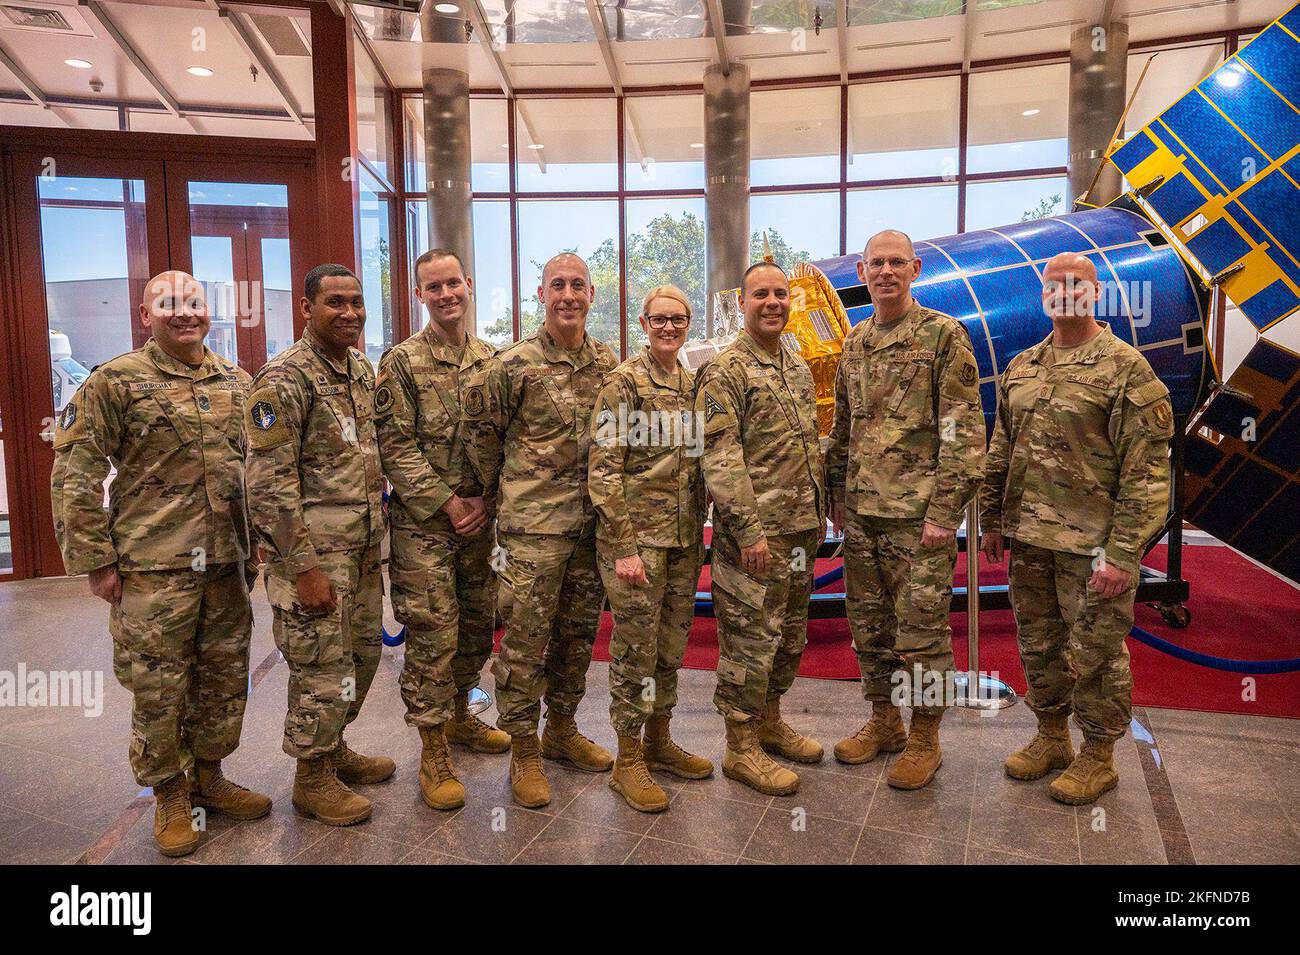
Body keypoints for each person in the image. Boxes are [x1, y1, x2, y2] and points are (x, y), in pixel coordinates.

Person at [50, 271, 270, 857]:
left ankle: (210, 776)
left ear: (209, 311)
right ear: (145, 315)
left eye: (194, 302)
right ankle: (170, 792)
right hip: (153, 566)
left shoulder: (237, 381)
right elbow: (77, 471)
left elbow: (257, 470)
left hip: (226, 564)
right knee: (159, 685)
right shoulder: (115, 382)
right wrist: (96, 560)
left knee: (223, 679)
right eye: (168, 304)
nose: (184, 313)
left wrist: (265, 540)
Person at [981, 251, 1173, 805]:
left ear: (1094, 293)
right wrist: (994, 519)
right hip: (1031, 541)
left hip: (1093, 549)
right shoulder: (1023, 365)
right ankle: (1050, 737)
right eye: (1053, 284)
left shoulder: (1125, 369)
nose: (1064, 292)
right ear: (1044, 294)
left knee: (1096, 653)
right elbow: (1002, 450)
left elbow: (1147, 475)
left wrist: (1123, 555)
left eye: (1076, 284)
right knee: (1039, 646)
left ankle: (1098, 756)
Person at [825, 230, 985, 790]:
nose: (886, 271)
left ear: (915, 268)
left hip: (919, 520)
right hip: (864, 517)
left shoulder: (943, 336)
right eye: (876, 263)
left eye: (897, 262)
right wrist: (837, 493)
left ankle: (924, 737)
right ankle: (884, 720)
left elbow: (963, 433)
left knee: (921, 634)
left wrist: (946, 514)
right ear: (862, 273)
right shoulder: (856, 343)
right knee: (869, 629)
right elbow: (844, 426)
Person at [462, 252, 618, 808]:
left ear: (592, 295)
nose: (568, 295)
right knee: (525, 642)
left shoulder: (608, 364)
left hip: (590, 529)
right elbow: (483, 437)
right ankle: (524, 747)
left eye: (578, 285)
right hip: (533, 532)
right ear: (541, 294)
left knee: (578, 637)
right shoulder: (513, 366)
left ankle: (563, 729)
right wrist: (503, 493)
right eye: (558, 285)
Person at [244, 263, 392, 827]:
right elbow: (269, 485)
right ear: (306, 309)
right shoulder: (284, 379)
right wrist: (302, 568)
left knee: (361, 657)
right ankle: (311, 779)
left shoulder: (357, 368)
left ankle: (332, 749)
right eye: (335, 302)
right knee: (320, 668)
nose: (349, 312)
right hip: (311, 558)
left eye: (356, 302)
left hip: (358, 552)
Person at [375, 249, 509, 813]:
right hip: (425, 527)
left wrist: (489, 499)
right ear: (419, 295)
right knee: (432, 634)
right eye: (434, 287)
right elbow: (395, 445)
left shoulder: (495, 361)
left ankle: (460, 718)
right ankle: (433, 751)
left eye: (453, 283)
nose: (446, 294)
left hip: (482, 525)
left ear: (469, 284)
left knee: (478, 625)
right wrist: (449, 503)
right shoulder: (402, 363)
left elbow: (510, 440)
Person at [693, 261, 825, 796]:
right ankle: (740, 746)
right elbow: (720, 458)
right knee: (750, 639)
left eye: (779, 294)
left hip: (798, 531)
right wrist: (748, 532)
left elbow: (808, 442)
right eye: (760, 295)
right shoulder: (726, 371)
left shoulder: (793, 364)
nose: (772, 302)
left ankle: (770, 720)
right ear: (741, 303)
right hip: (755, 537)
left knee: (788, 635)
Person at [588, 285, 713, 813]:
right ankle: (628, 757)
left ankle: (659, 740)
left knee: (669, 646)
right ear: (643, 322)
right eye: (659, 320)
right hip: (638, 543)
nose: (668, 328)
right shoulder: (624, 383)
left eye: (677, 320)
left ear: (688, 324)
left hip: (684, 540)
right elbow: (603, 468)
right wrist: (623, 547)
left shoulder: (692, 383)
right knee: (635, 652)